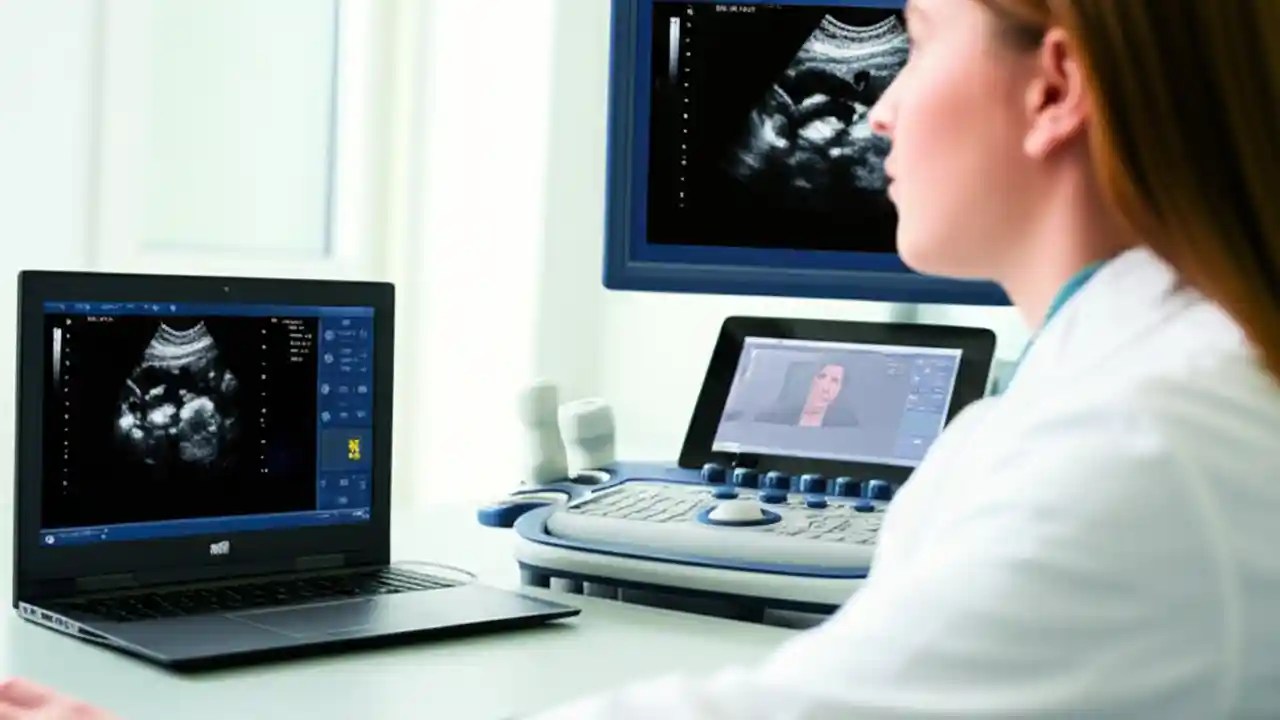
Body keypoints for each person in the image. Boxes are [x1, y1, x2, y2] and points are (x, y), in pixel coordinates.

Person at [4, 0, 1278, 717]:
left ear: (1052, 86)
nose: (880, 106)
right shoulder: (1120, 390)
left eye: (917, 35)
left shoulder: (1139, 452)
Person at [753, 358, 860, 428]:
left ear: (840, 389)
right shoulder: (771, 420)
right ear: (810, 380)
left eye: (835, 381)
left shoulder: (845, 425)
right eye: (821, 377)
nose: (825, 387)